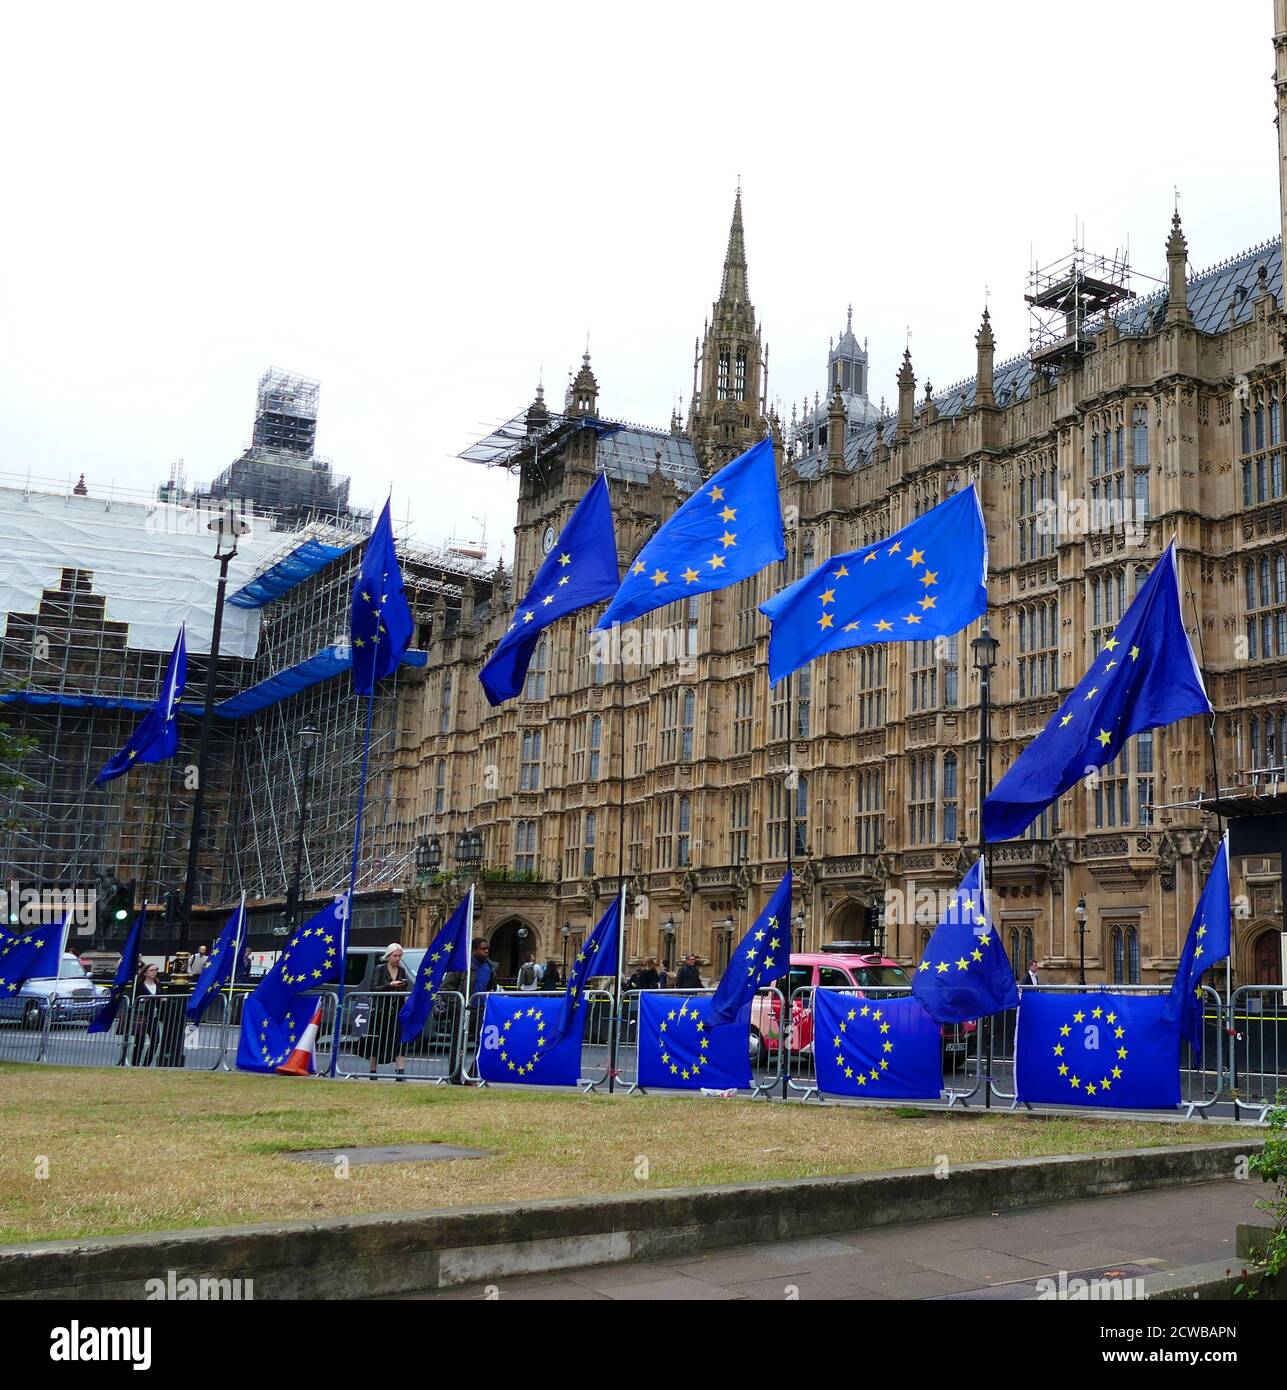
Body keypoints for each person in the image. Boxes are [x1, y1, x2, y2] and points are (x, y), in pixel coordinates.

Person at [360, 943, 412, 1080]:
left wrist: (402, 986)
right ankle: (373, 1071)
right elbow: (374, 988)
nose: (397, 959)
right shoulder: (379, 969)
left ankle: (400, 1071)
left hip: (396, 1011)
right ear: (388, 956)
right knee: (376, 1041)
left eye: (400, 956)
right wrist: (390, 985)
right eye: (395, 956)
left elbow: (404, 989)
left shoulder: (401, 971)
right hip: (380, 1011)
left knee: (399, 1041)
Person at [130, 963, 163, 1066]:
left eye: (156, 970)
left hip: (153, 1017)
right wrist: (143, 1000)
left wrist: (162, 999)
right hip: (142, 1017)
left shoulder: (157, 984)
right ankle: (135, 1064)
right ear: (145, 973)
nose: (154, 972)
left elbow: (161, 996)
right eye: (151, 970)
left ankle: (146, 1064)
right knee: (139, 1042)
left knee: (155, 1041)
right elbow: (134, 999)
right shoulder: (139, 986)